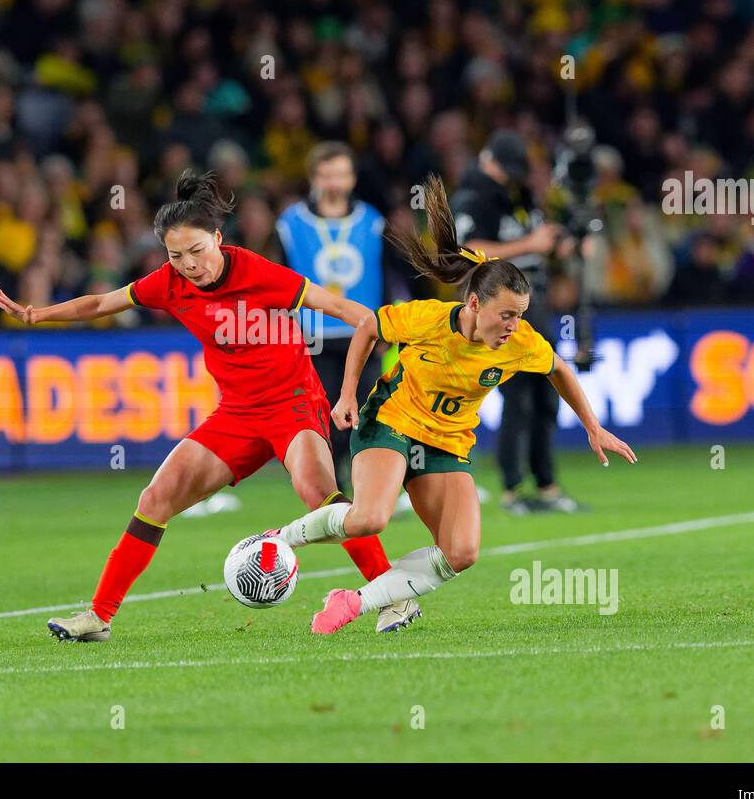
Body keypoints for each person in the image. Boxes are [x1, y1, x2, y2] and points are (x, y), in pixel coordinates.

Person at [0, 170, 420, 639]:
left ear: (217, 238)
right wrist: (37, 314)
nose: (189, 264)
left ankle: (393, 596)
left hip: (293, 405)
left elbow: (348, 312)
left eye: (197, 251)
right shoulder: (169, 283)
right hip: (236, 414)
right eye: (176, 256)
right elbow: (100, 305)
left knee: (317, 491)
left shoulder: (257, 272)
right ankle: (99, 616)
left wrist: (354, 382)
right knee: (155, 499)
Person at [261, 176, 636, 634]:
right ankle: (277, 541)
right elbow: (368, 329)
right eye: (506, 314)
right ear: (475, 303)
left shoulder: (518, 343)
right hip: (391, 421)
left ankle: (354, 602)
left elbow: (559, 368)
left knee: (461, 552)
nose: (514, 325)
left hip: (446, 442)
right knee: (370, 518)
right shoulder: (428, 318)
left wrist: (592, 427)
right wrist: (346, 394)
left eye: (520, 315)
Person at [451, 129, 574, 515]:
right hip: (497, 307)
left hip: (532, 304)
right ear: (491, 161)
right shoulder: (472, 197)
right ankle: (511, 487)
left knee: (545, 394)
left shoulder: (517, 195)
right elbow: (468, 251)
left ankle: (546, 484)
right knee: (516, 396)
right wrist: (530, 245)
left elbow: (536, 240)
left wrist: (558, 244)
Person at [276, 142, 386, 491]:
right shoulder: (290, 223)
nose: (334, 182)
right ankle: (331, 489)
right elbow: (278, 279)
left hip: (363, 332)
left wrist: (386, 326)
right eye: (326, 175)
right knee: (323, 417)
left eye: (341, 174)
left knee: (369, 414)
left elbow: (387, 274)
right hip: (313, 335)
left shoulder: (372, 220)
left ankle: (370, 486)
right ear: (314, 178)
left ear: (352, 178)